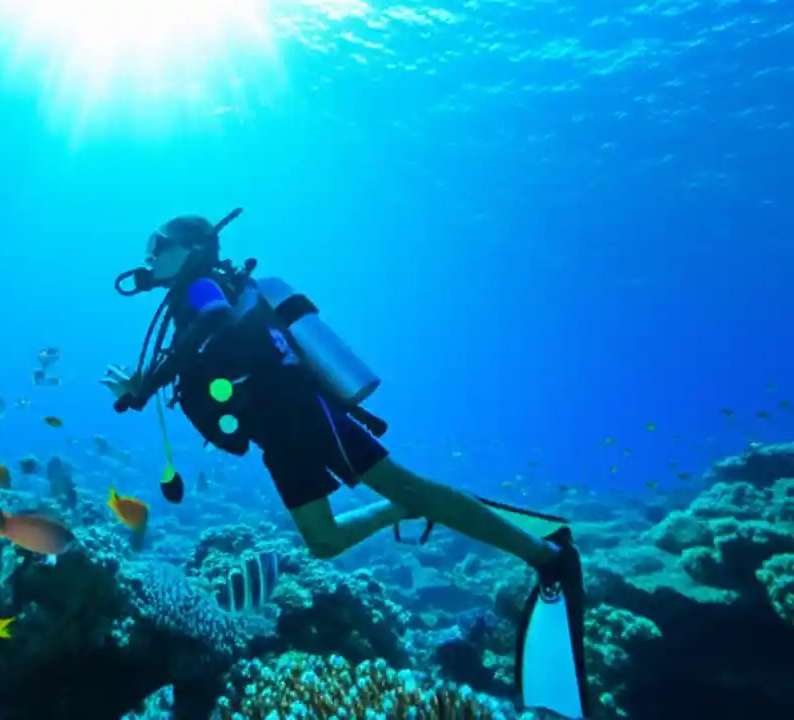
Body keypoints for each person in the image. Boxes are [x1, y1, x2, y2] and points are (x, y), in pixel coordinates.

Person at [101, 209, 591, 719]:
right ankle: (400, 511)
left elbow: (217, 317)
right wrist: (148, 382)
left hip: (298, 410)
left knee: (406, 484)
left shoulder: (202, 286)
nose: (148, 256)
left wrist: (146, 385)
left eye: (157, 244)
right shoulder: (189, 296)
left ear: (190, 248)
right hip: (275, 431)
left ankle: (545, 557)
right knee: (324, 541)